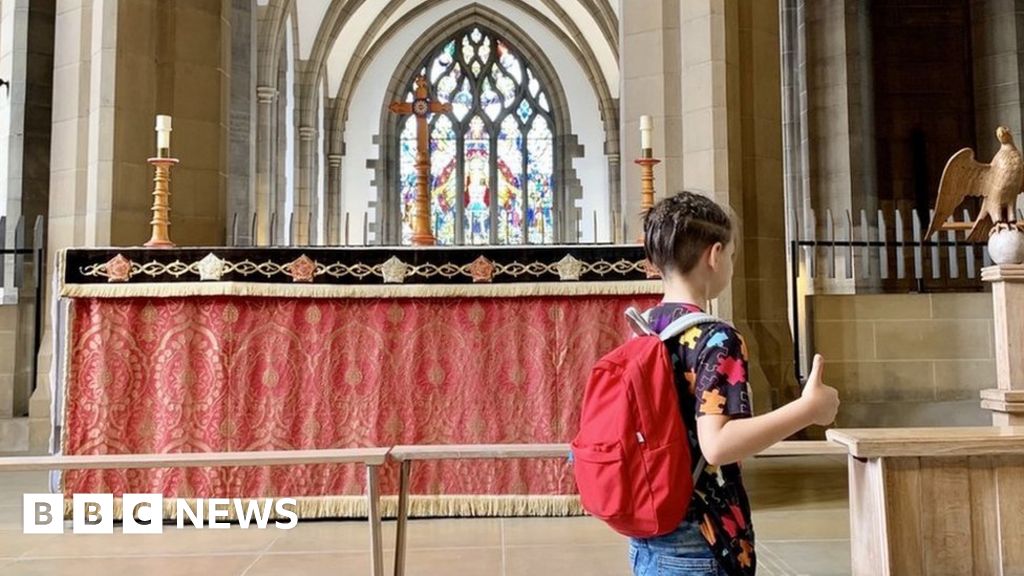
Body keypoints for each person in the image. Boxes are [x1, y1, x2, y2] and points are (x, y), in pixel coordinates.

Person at [630, 191, 840, 576]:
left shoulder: (646, 328)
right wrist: (808, 409)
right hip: (702, 536)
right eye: (731, 255)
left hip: (653, 530)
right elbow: (717, 445)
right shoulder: (717, 339)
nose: (730, 264)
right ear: (714, 255)